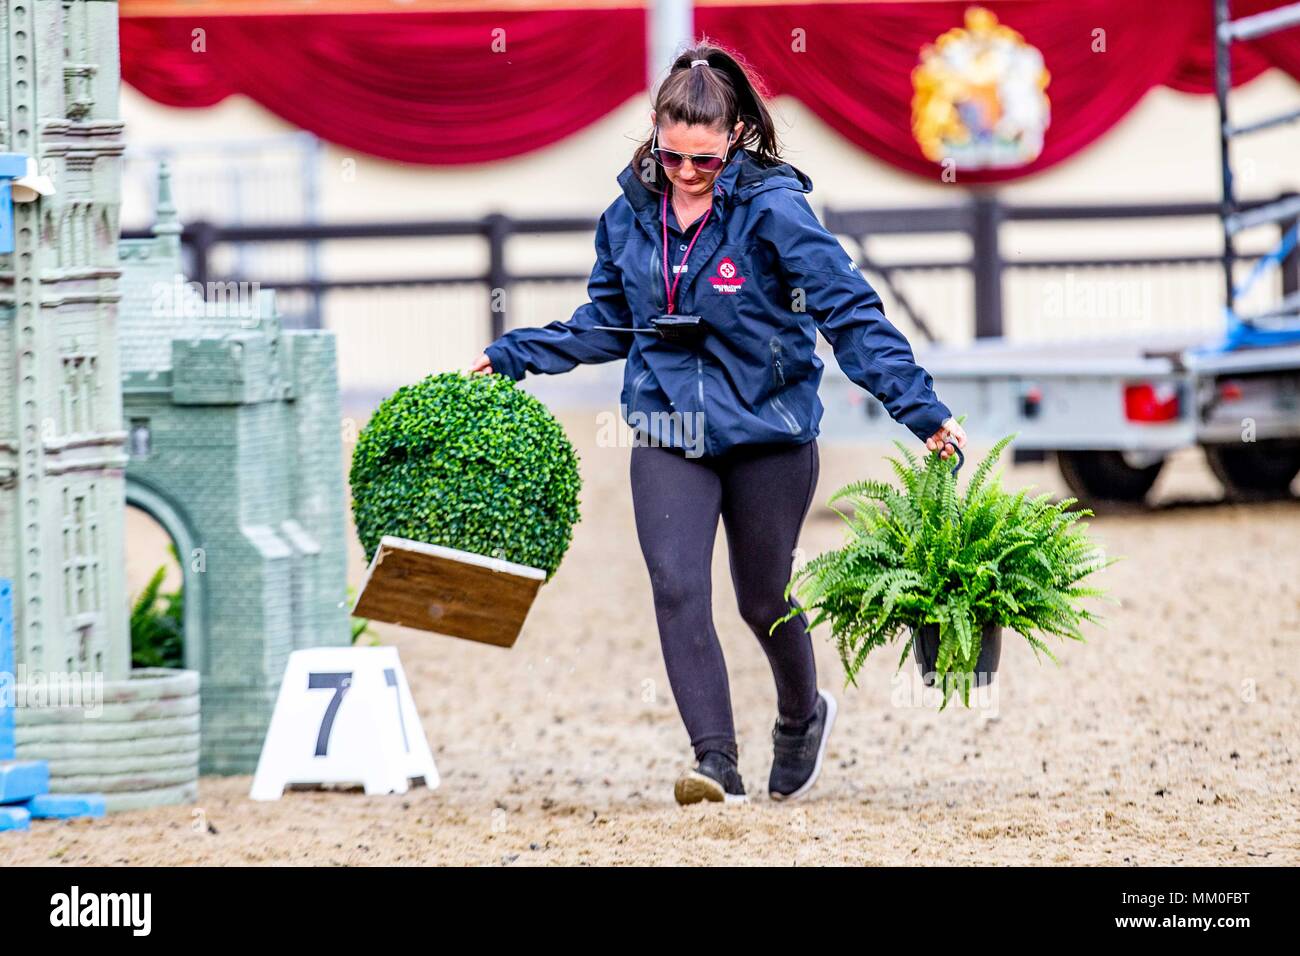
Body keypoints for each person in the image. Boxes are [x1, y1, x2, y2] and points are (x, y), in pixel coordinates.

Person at [470, 40, 967, 806]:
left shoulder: (774, 209)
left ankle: (803, 715)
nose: (688, 173)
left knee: (762, 598)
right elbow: (609, 323)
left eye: (704, 159)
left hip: (769, 431)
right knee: (675, 586)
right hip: (670, 428)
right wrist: (514, 355)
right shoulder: (628, 216)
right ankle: (716, 764)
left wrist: (920, 409)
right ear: (657, 136)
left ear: (734, 138)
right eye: (673, 158)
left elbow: (849, 311)